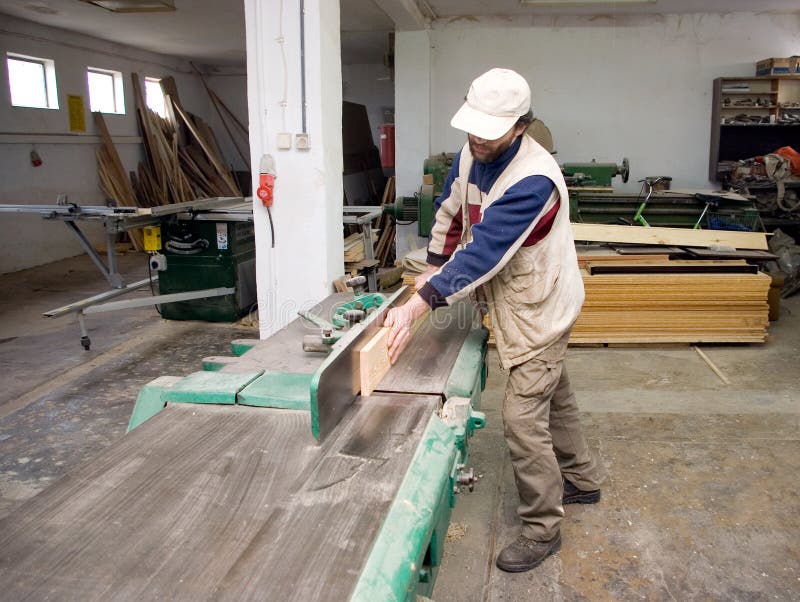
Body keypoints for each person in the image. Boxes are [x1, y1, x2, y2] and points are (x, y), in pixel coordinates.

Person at [384, 67, 604, 573]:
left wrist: (424, 301)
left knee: (523, 420)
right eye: (472, 128)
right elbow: (453, 214)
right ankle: (583, 481)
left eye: (491, 130)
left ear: (521, 125)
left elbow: (485, 250)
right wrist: (433, 268)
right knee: (556, 395)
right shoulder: (470, 152)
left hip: (538, 306)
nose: (478, 139)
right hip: (518, 297)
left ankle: (543, 529)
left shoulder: (535, 181)